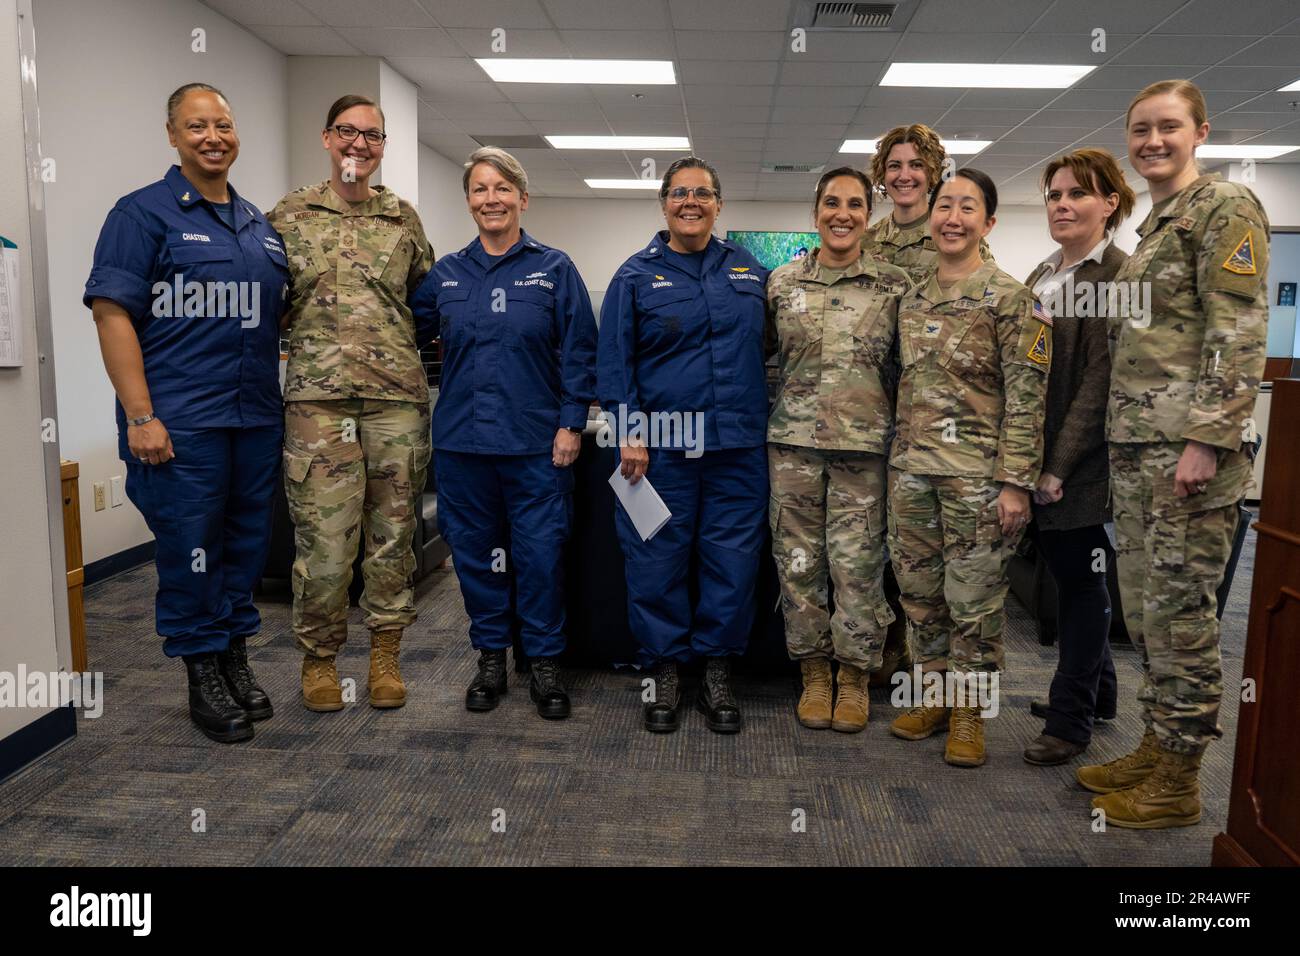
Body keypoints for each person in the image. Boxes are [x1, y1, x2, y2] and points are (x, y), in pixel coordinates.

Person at [1079, 80, 1269, 828]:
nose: (1153, 141)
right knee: (1151, 617)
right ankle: (1160, 746)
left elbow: (1238, 328)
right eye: (1141, 130)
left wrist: (1207, 437)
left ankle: (1179, 782)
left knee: (1182, 618)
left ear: (1201, 133)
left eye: (1168, 128)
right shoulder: (1161, 223)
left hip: (1186, 457)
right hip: (1142, 454)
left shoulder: (1224, 209)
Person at [85, 83, 288, 743]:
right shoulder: (141, 214)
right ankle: (201, 669)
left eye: (223, 124)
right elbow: (113, 314)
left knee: (244, 545)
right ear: (172, 134)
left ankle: (235, 654)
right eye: (197, 125)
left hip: (253, 418)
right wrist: (140, 415)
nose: (213, 136)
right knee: (192, 548)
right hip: (180, 421)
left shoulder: (259, 224)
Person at [410, 147, 597, 720]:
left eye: (501, 189)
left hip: (536, 446)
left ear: (521, 196)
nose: (490, 199)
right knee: (476, 558)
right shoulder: (444, 275)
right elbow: (405, 337)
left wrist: (571, 424)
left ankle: (543, 662)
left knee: (539, 558)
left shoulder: (555, 269)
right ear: (468, 201)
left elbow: (581, 354)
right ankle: (490, 657)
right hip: (464, 446)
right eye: (479, 190)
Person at [268, 94, 434, 713]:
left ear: (383, 145)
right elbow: (267, 301)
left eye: (372, 135)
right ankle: (319, 660)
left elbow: (426, 301)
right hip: (318, 401)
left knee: (392, 536)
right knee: (325, 539)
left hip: (396, 401)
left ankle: (385, 654)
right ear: (326, 137)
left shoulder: (402, 219)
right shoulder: (287, 215)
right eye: (347, 132)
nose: (359, 144)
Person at [598, 157, 770, 735]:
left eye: (702, 193)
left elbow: (774, 350)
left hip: (737, 449)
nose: (690, 202)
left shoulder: (750, 271)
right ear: (664, 204)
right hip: (661, 450)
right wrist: (631, 431)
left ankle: (717, 671)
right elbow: (615, 363)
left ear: (720, 204)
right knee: (655, 563)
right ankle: (663, 671)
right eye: (679, 193)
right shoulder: (634, 276)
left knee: (732, 563)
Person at [887, 168, 1051, 767]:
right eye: (944, 206)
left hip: (980, 481)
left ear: (989, 222)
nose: (952, 218)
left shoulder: (1012, 298)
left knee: (975, 603)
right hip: (911, 472)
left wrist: (1015, 484)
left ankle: (968, 715)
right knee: (920, 594)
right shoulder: (911, 295)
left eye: (967, 208)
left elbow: (1028, 397)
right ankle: (932, 695)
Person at [765, 167, 910, 732]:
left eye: (854, 203)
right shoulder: (782, 283)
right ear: (816, 212)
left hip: (865, 450)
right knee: (799, 566)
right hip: (793, 448)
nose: (842, 213)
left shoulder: (893, 285)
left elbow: (909, 371)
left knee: (858, 567)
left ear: (867, 215)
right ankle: (814, 675)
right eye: (831, 203)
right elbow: (760, 357)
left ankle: (854, 677)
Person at [1021, 149, 1135, 766]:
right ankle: (1103, 694)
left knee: (1084, 587)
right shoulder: (1046, 271)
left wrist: (1056, 466)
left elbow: (1098, 383)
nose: (1062, 206)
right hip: (1041, 454)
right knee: (1073, 580)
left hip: (1079, 465)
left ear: (1109, 204)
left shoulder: (1114, 276)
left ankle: (1070, 722)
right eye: (1055, 195)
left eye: (1077, 195)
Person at [864, 123, 991, 286]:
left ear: (932, 172)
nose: (904, 176)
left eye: (916, 165)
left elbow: (990, 295)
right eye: (894, 166)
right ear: (883, 173)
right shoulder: (865, 242)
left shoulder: (960, 234)